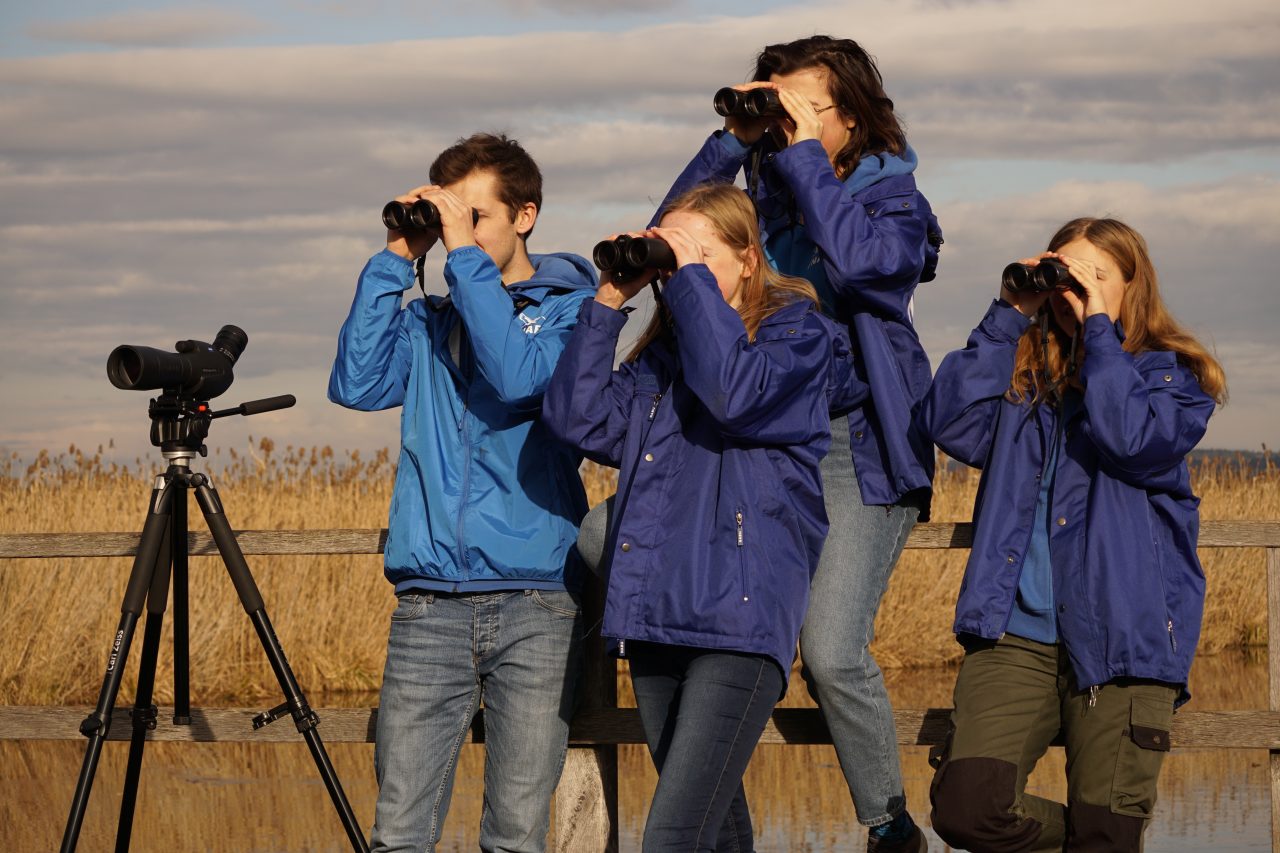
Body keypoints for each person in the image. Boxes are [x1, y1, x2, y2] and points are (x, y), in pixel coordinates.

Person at [652, 34, 942, 851]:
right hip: (764, 435)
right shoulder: (758, 191)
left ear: (848, 118)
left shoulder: (898, 203)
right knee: (707, 621)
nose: (780, 120)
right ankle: (717, 825)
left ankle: (889, 823)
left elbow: (858, 272)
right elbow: (666, 244)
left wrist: (806, 160)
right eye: (769, 100)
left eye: (799, 105)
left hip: (856, 444)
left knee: (829, 646)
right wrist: (730, 141)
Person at [542, 183, 865, 852]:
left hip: (738, 623)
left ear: (750, 258)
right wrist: (607, 302)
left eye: (701, 253)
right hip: (659, 614)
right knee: (716, 832)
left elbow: (735, 392)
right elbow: (579, 419)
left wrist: (685, 281)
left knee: (672, 834)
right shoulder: (664, 359)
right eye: (673, 257)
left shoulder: (797, 336)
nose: (681, 271)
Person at [919, 218, 1226, 851]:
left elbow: (1133, 440)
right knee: (966, 809)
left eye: (1095, 278)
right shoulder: (1026, 383)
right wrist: (1008, 313)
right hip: (1017, 635)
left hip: (1122, 639)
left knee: (1107, 833)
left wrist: (1101, 334)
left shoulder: (1173, 379)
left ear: (1131, 288)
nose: (1072, 292)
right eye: (1065, 275)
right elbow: (944, 420)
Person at [327, 132, 597, 853]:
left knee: (514, 836)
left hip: (536, 600)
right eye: (451, 218)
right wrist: (394, 258)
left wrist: (464, 260)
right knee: (398, 835)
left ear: (526, 215)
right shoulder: (429, 324)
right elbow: (354, 384)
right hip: (428, 605)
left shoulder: (574, 316)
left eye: (476, 217)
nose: (459, 235)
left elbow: (517, 376)